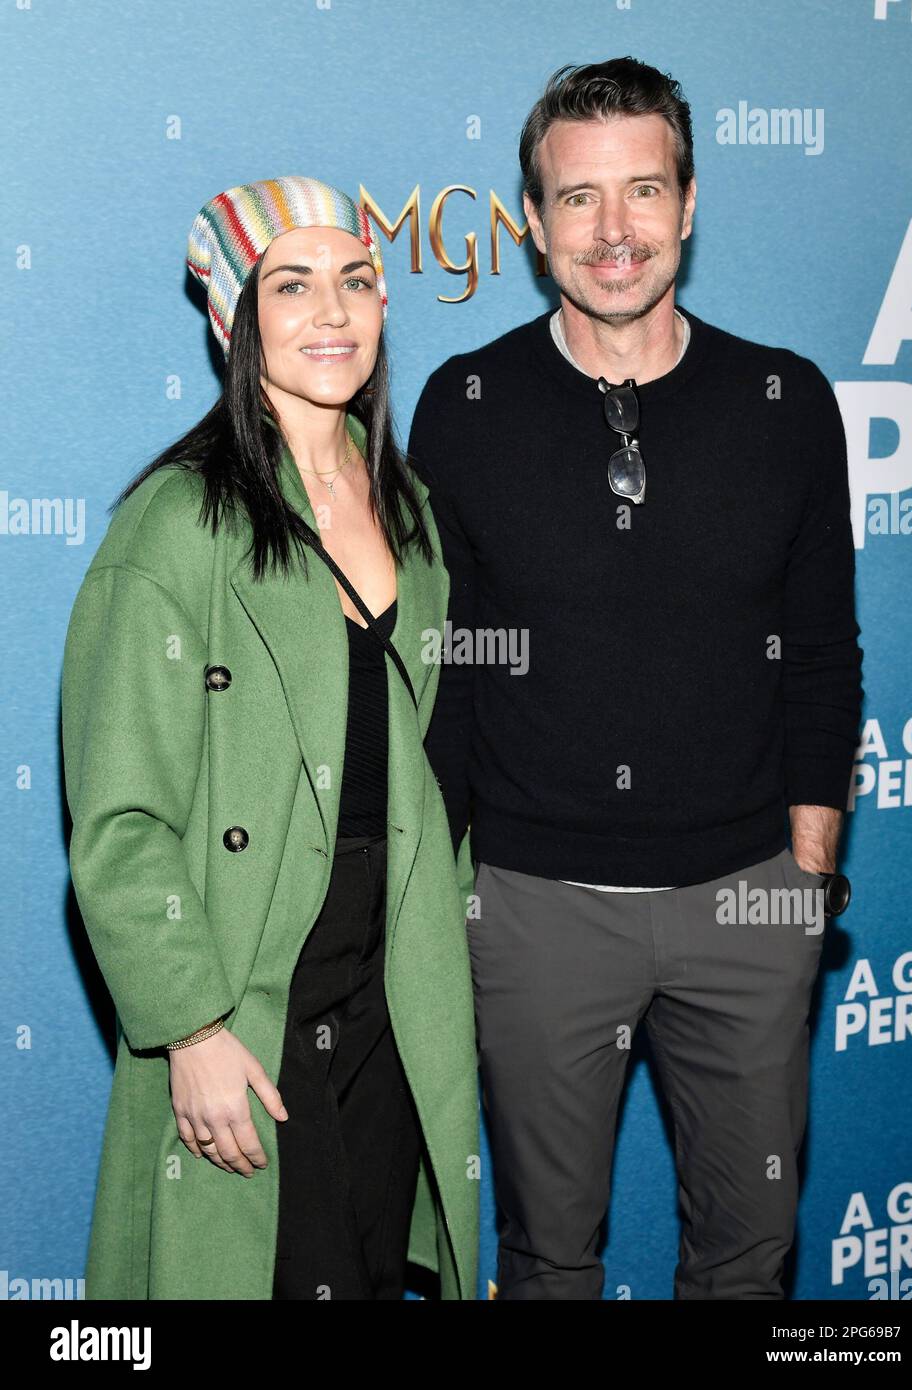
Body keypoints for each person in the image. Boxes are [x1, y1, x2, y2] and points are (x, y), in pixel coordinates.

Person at [408, 59, 864, 1300]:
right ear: (534, 220)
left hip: (747, 905)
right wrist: (448, 899)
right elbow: (444, 671)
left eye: (643, 192)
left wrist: (806, 868)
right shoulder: (465, 405)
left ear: (692, 202)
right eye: (578, 200)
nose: (615, 233)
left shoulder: (787, 403)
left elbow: (822, 652)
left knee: (749, 1258)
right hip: (534, 908)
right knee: (548, 1260)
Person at [62, 176, 478, 1300]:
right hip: (252, 994)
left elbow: (432, 771)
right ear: (235, 320)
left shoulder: (413, 512)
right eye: (290, 285)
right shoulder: (176, 522)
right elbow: (119, 819)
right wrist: (189, 1026)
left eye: (355, 281)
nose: (331, 312)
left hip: (391, 996)